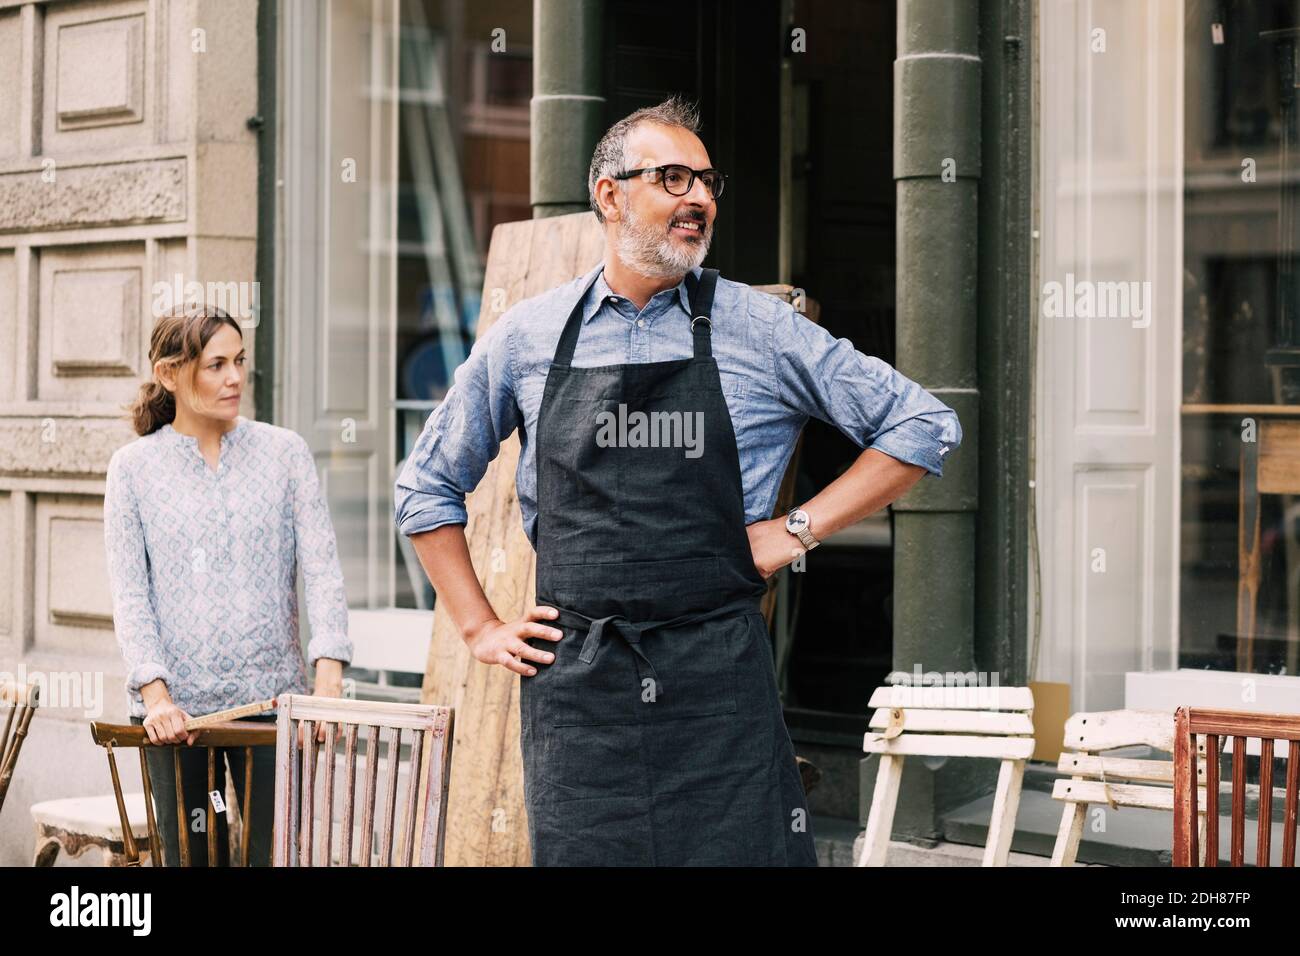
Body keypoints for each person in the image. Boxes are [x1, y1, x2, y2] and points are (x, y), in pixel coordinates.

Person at [395, 96, 962, 866]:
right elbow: (426, 488)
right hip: (580, 701)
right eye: (672, 178)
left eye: (706, 181)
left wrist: (796, 530)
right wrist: (479, 627)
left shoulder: (758, 328)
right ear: (610, 195)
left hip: (717, 690)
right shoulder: (529, 337)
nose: (699, 197)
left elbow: (924, 426)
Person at [104, 304, 352, 866]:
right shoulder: (133, 469)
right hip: (181, 723)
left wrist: (328, 679)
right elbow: (130, 592)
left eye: (239, 361)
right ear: (171, 373)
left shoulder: (284, 453)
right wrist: (156, 696)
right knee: (193, 858)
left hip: (275, 709)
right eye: (216, 365)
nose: (235, 377)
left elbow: (322, 565)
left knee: (275, 856)